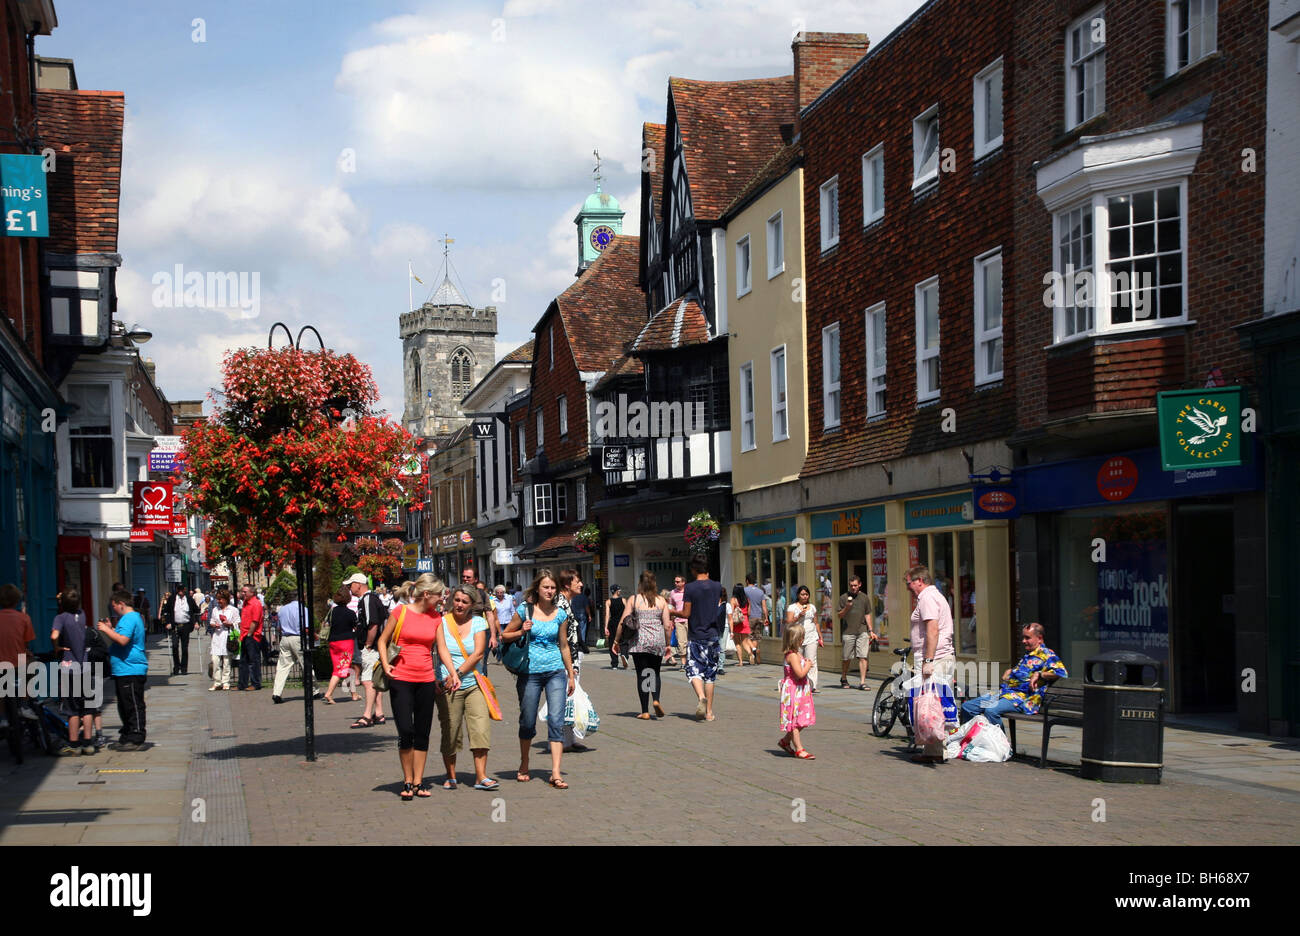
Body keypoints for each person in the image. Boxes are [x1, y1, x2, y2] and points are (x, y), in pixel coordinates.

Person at [377, 574, 460, 800]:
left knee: (422, 732)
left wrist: (453, 673)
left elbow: (442, 649)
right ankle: (406, 778)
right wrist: (386, 665)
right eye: (439, 595)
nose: (442, 599)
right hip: (401, 678)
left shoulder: (436, 618)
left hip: (425, 679)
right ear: (426, 594)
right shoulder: (400, 612)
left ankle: (417, 781)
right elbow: (382, 640)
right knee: (406, 730)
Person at [500, 569, 576, 789]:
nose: (549, 591)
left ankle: (555, 772)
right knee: (528, 720)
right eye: (546, 587)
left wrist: (570, 674)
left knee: (556, 720)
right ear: (537, 588)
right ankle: (524, 762)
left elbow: (564, 645)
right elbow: (504, 636)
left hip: (555, 672)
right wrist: (522, 631)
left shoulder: (560, 614)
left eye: (553, 588)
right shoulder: (525, 611)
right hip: (530, 672)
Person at [435, 585, 497, 790]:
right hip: (448, 685)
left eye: (464, 601)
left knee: (480, 727)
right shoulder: (442, 622)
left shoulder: (479, 623)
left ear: (472, 605)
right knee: (451, 729)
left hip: (474, 683)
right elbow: (441, 650)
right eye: (457, 600)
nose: (460, 604)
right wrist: (452, 676)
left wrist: (459, 674)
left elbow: (478, 653)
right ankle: (451, 775)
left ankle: (481, 776)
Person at [960, 623, 1068, 728]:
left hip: (1021, 698)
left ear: (1039, 638)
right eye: (1023, 637)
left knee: (991, 710)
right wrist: (1010, 671)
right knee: (968, 707)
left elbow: (1062, 672)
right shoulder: (1028, 655)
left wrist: (1040, 674)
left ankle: (1002, 744)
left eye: (1027, 638)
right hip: (1004, 693)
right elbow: (1024, 672)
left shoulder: (1047, 654)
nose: (1023, 641)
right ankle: (974, 739)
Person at [907, 564, 956, 764]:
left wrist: (928, 660)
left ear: (920, 581)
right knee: (934, 704)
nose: (908, 587)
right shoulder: (935, 595)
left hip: (935, 658)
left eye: (909, 583)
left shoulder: (927, 597)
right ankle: (934, 749)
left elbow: (932, 629)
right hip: (940, 657)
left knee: (930, 704)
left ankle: (935, 750)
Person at [612, 571, 673, 719]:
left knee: (642, 674)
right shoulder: (661, 601)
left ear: (640, 583)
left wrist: (616, 641)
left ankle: (645, 711)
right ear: (654, 583)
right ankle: (656, 700)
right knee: (655, 673)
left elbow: (622, 621)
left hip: (639, 641)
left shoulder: (634, 599)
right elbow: (667, 626)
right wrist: (668, 644)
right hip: (657, 641)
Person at [671, 557, 724, 721]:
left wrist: (672, 612)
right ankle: (709, 713)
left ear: (694, 570)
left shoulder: (691, 588)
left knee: (693, 670)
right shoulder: (717, 586)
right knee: (710, 675)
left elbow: (686, 613)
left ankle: (701, 697)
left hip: (696, 635)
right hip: (713, 635)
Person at [51, 589, 102, 755]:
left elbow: (54, 635)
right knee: (87, 707)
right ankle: (88, 743)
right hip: (85, 665)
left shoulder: (60, 617)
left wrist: (57, 647)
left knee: (71, 709)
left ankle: (74, 744)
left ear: (62, 604)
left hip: (69, 666)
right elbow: (71, 604)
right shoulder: (83, 614)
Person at [96, 589, 148, 750]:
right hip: (124, 669)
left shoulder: (129, 618)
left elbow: (123, 640)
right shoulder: (129, 618)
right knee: (124, 705)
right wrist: (112, 628)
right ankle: (127, 734)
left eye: (114, 607)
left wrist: (106, 630)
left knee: (132, 704)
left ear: (121, 604)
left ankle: (136, 736)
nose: (114, 610)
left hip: (130, 668)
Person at [346, 573, 388, 728]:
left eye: (351, 585)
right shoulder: (370, 599)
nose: (350, 588)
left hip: (372, 646)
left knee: (367, 680)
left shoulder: (368, 599)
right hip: (376, 645)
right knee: (375, 679)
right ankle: (379, 713)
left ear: (359, 584)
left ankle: (367, 715)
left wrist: (368, 645)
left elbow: (373, 624)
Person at [0, 584, 35, 763]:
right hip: (18, 663)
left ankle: (3, 717)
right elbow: (27, 643)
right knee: (31, 669)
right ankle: (24, 704)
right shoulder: (23, 618)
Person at [556, 569, 589, 752]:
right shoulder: (560, 603)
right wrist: (570, 666)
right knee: (562, 698)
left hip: (573, 659)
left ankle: (570, 739)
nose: (581, 584)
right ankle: (561, 739)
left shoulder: (569, 601)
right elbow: (562, 639)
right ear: (568, 584)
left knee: (570, 698)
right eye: (578, 581)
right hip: (564, 661)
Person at [778, 623, 816, 759]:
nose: (803, 640)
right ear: (795, 639)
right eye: (801, 637)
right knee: (795, 720)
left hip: (801, 690)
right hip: (794, 691)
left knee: (803, 718)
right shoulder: (792, 656)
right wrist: (808, 665)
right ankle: (799, 749)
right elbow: (799, 674)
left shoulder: (797, 654)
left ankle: (785, 741)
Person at [837, 575, 877, 690]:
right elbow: (839, 615)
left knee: (863, 656)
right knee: (846, 657)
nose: (853, 588)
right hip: (848, 632)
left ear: (860, 584)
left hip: (862, 631)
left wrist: (871, 630)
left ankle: (862, 682)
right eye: (851, 586)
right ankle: (843, 678)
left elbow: (867, 614)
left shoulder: (864, 598)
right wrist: (846, 608)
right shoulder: (843, 598)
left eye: (855, 585)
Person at [323, 586, 360, 704]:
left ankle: (354, 694)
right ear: (348, 599)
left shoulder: (332, 612)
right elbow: (356, 627)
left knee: (346, 668)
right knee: (340, 670)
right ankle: (328, 694)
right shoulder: (350, 613)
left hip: (333, 642)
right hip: (346, 643)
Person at [785, 585, 821, 691]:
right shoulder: (792, 607)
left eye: (806, 594)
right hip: (797, 637)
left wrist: (820, 636)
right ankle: (799, 681)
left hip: (811, 637)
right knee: (799, 660)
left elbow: (816, 622)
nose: (804, 596)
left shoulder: (812, 607)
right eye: (802, 594)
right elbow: (789, 622)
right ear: (798, 595)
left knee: (812, 660)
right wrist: (799, 616)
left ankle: (812, 685)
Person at [162, 584, 200, 676]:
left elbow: (196, 611)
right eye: (178, 589)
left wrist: (196, 622)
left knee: (184, 648)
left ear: (185, 589)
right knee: (175, 646)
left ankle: (184, 668)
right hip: (175, 625)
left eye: (182, 589)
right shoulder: (172, 598)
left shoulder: (189, 599)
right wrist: (167, 623)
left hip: (186, 625)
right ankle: (176, 666)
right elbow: (166, 611)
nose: (180, 591)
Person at [208, 589, 239, 692]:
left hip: (228, 636)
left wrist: (230, 624)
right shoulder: (215, 610)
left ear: (226, 599)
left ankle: (226, 682)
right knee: (215, 660)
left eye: (220, 599)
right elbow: (211, 621)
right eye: (218, 599)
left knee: (227, 660)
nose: (219, 601)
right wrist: (214, 624)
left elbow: (238, 622)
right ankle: (217, 681)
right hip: (217, 636)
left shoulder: (233, 610)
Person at [237, 585, 264, 690]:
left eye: (245, 591)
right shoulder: (245, 603)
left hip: (252, 635)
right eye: (242, 591)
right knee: (243, 661)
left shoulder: (255, 603)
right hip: (244, 634)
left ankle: (255, 683)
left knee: (253, 661)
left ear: (252, 593)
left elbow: (255, 621)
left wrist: (249, 634)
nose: (242, 593)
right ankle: (242, 684)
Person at [603, 585, 628, 669]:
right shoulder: (623, 600)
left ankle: (614, 663)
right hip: (622, 623)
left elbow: (607, 615)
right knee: (624, 641)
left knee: (612, 642)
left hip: (612, 624)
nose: (620, 591)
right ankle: (624, 655)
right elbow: (627, 612)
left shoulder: (608, 602)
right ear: (617, 591)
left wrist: (606, 627)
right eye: (619, 590)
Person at [743, 574, 766, 660]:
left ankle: (753, 651)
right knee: (756, 637)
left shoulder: (744, 591)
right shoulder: (760, 591)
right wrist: (766, 617)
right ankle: (755, 654)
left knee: (747, 637)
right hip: (759, 616)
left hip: (749, 617)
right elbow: (764, 606)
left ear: (747, 581)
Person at [730, 584, 752, 665]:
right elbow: (749, 613)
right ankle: (750, 654)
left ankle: (740, 662)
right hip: (745, 620)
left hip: (737, 622)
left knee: (737, 643)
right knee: (744, 642)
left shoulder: (733, 600)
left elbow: (731, 612)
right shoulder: (747, 599)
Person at [668, 575, 687, 665]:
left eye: (678, 582)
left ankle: (690, 662)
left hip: (689, 620)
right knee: (681, 642)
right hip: (678, 620)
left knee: (690, 642)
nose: (676, 583)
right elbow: (671, 606)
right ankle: (683, 664)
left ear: (683, 582)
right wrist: (671, 620)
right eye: (675, 581)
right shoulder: (673, 592)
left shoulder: (689, 592)